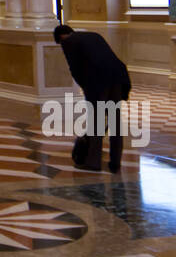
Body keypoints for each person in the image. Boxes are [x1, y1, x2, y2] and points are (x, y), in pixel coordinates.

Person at [54, 24, 132, 173]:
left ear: (61, 37)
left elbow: (74, 69)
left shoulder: (68, 42)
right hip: (118, 76)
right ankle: (115, 162)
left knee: (96, 121)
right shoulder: (94, 35)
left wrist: (85, 88)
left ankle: (93, 162)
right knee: (114, 120)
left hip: (97, 82)